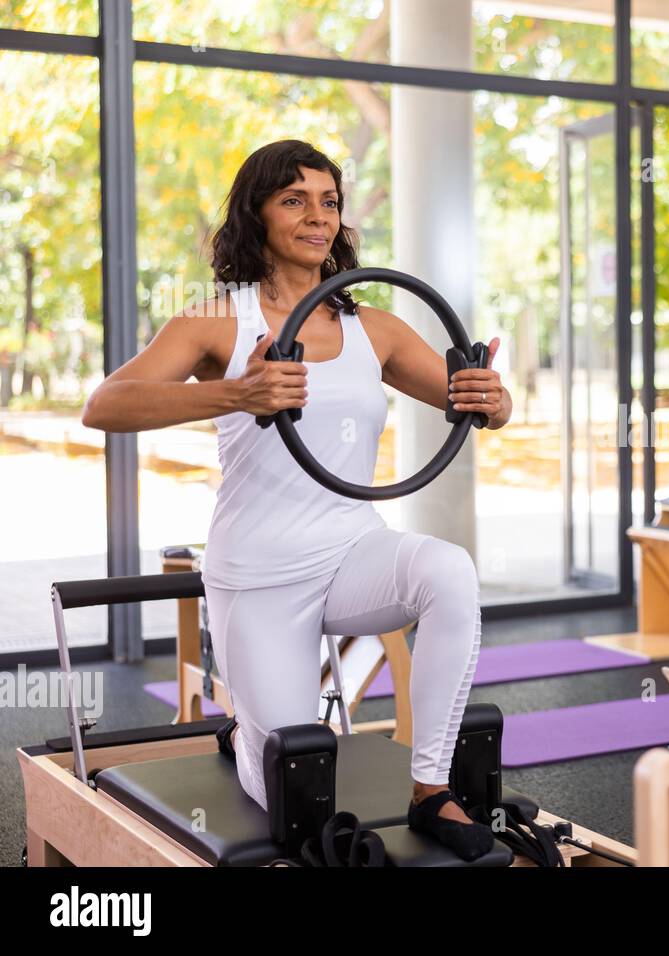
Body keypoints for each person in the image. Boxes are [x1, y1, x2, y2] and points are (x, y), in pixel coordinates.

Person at [81, 139, 512, 860]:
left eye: (330, 201)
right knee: (287, 768)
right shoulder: (217, 320)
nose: (318, 216)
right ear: (257, 215)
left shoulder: (370, 326)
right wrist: (232, 392)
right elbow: (104, 405)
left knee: (448, 571)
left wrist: (492, 399)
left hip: (352, 552)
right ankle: (245, 733)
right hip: (258, 574)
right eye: (294, 200)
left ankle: (431, 789)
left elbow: (470, 401)